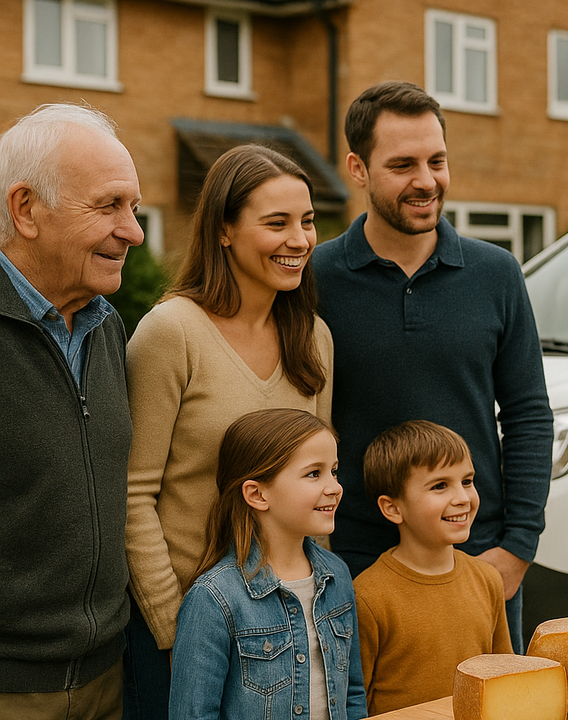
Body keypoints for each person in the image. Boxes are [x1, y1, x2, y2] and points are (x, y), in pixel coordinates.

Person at [312, 81, 553, 651]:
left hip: (476, 555)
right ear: (358, 168)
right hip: (356, 561)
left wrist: (518, 546)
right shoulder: (315, 278)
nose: (426, 180)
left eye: (436, 160)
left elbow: (528, 415)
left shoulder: (496, 273)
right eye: (402, 164)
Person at [122, 145, 334, 718]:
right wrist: (172, 629)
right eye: (276, 223)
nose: (300, 240)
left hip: (287, 622)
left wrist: (320, 607)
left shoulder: (313, 337)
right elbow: (133, 492)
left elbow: (320, 488)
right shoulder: (170, 333)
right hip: (186, 622)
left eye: (307, 221)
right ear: (223, 230)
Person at [0, 103, 143, 719]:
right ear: (25, 209)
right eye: (109, 206)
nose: (134, 231)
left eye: (133, 208)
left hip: (107, 675)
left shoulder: (106, 328)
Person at [169, 408, 366, 720]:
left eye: (334, 471)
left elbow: (353, 693)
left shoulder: (336, 575)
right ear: (257, 494)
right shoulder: (215, 598)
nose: (334, 487)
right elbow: (192, 714)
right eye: (314, 473)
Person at [354, 420, 513, 714]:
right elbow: (353, 700)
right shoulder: (368, 596)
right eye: (440, 486)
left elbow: (505, 677)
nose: (463, 498)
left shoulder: (488, 579)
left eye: (467, 481)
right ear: (393, 508)